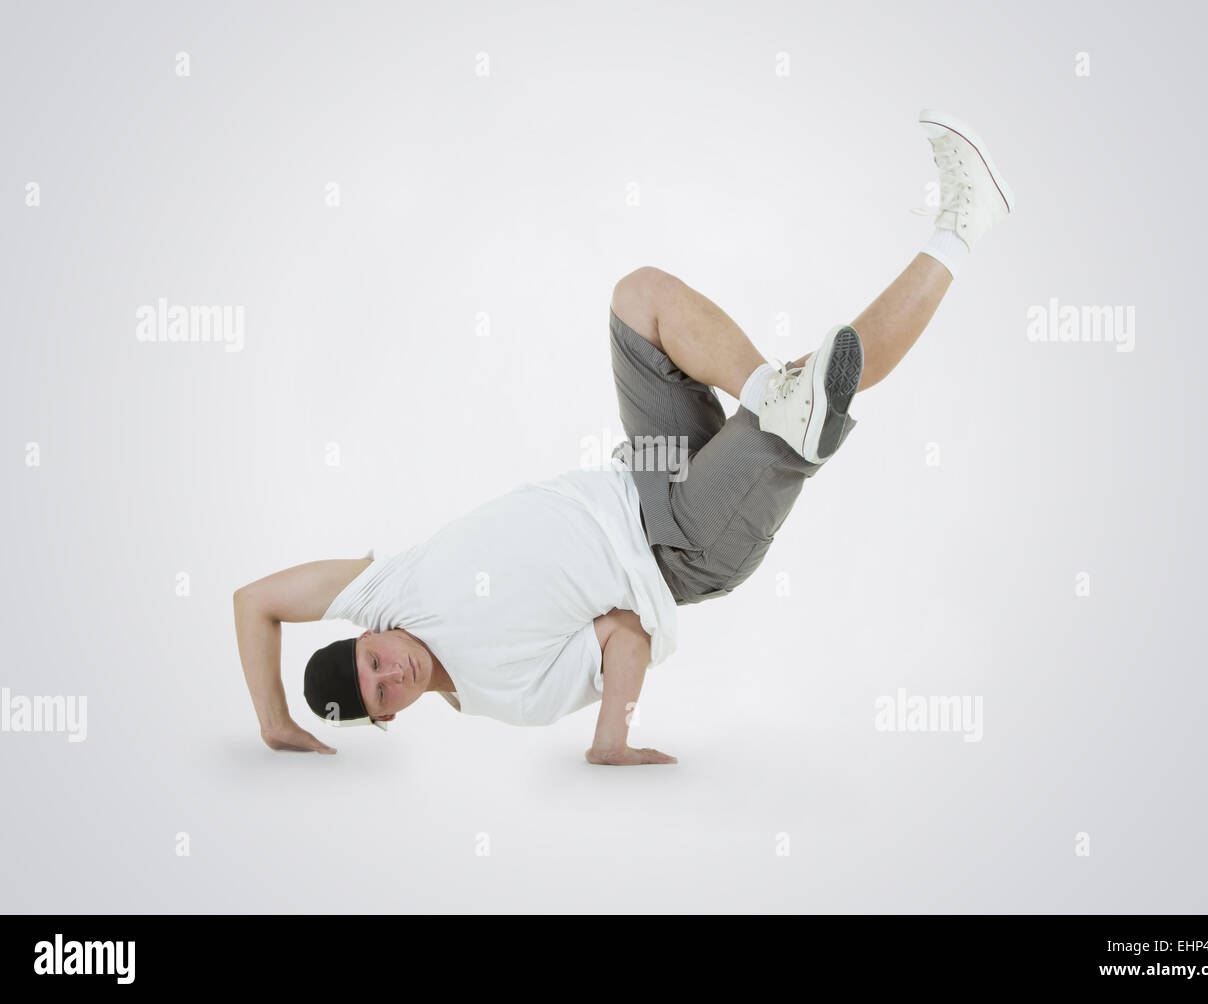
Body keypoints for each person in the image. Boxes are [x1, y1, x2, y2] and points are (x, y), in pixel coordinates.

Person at [232, 108, 1014, 766]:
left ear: (366, 636)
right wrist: (612, 745)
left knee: (638, 299)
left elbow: (254, 601)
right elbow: (625, 635)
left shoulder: (386, 590)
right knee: (815, 402)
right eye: (381, 696)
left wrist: (273, 723)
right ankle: (961, 227)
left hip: (639, 474)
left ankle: (767, 393)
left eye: (373, 662)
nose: (391, 673)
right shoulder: (503, 696)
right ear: (391, 717)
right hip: (681, 550)